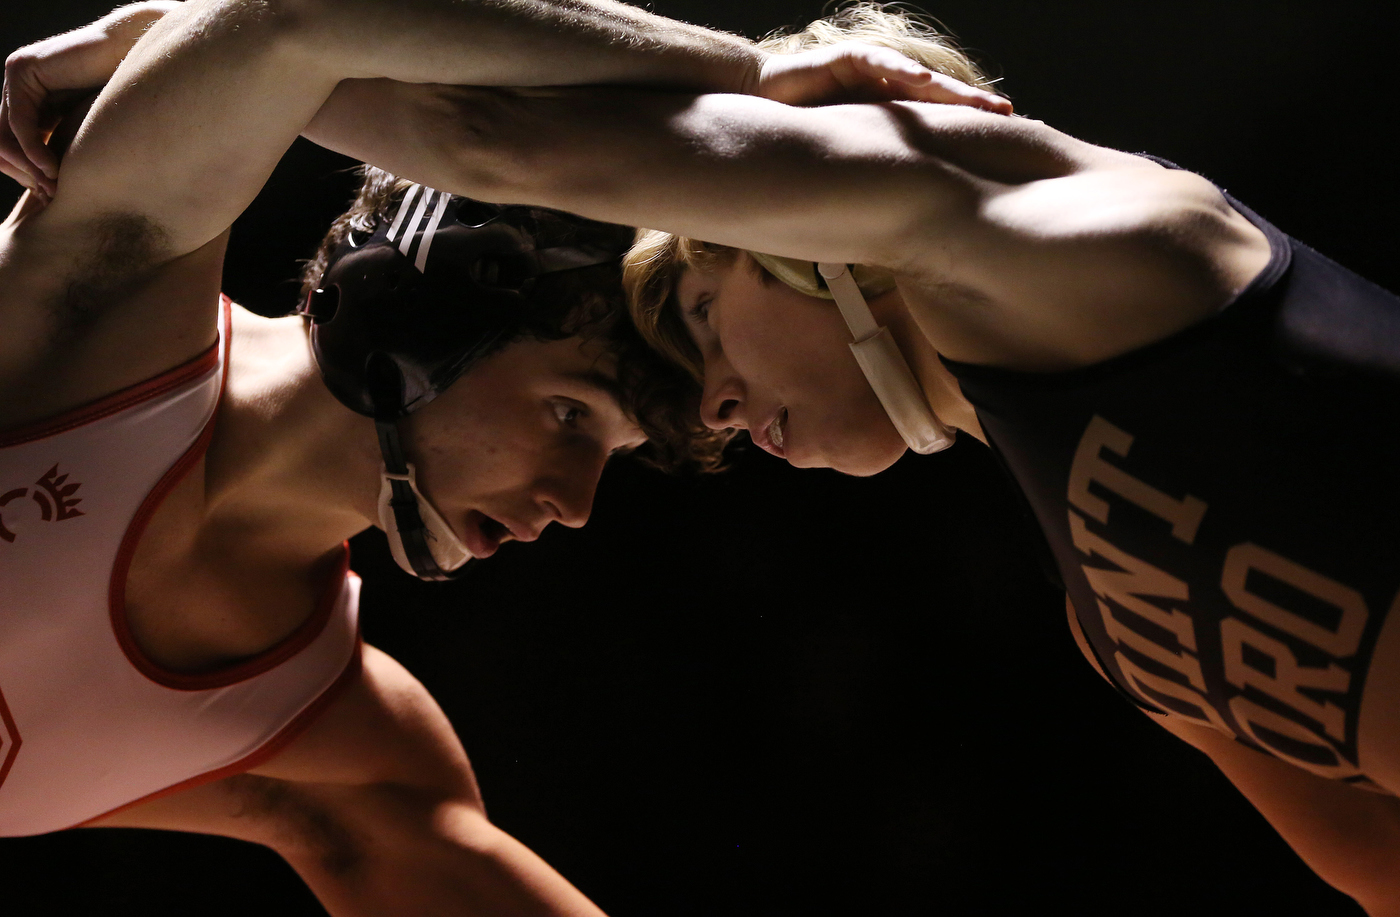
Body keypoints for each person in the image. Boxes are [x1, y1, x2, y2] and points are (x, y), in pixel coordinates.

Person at [187, 2, 1400, 912]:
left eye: (703, 311)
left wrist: (209, 53)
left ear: (815, 235)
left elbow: (474, 132)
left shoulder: (1090, 240)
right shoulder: (1110, 614)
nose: (716, 403)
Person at [0, 1, 1008, 912]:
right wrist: (747, 77)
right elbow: (289, 19)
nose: (573, 504)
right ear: (421, 300)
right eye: (572, 413)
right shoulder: (93, 313)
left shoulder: (334, 752)